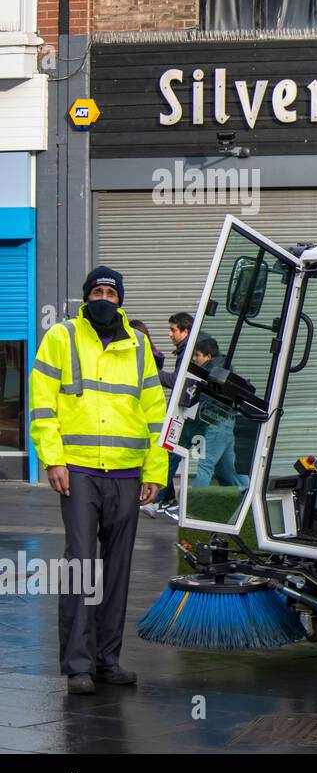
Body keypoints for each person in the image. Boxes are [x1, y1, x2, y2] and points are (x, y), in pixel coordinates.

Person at [28, 267, 167, 695]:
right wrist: (53, 459)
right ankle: (78, 666)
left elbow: (155, 414)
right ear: (85, 297)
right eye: (97, 291)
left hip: (127, 471)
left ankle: (108, 660)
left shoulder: (140, 345)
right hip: (79, 470)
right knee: (81, 564)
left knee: (118, 570)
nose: (104, 297)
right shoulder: (62, 338)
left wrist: (155, 471)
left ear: (120, 299)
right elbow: (42, 403)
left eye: (110, 291)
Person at [145, 311, 197, 519]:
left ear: (185, 331)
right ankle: (168, 500)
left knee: (169, 454)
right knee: (171, 454)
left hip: (184, 412)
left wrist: (152, 374)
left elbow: (177, 381)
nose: (169, 334)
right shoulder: (187, 349)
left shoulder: (188, 352)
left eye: (173, 330)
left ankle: (155, 500)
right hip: (185, 411)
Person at [190, 336, 250, 491]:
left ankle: (194, 505)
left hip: (215, 423)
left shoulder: (213, 372)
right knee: (229, 469)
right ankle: (248, 492)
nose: (195, 359)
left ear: (208, 356)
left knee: (205, 465)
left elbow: (208, 401)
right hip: (225, 423)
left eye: (197, 355)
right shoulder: (224, 368)